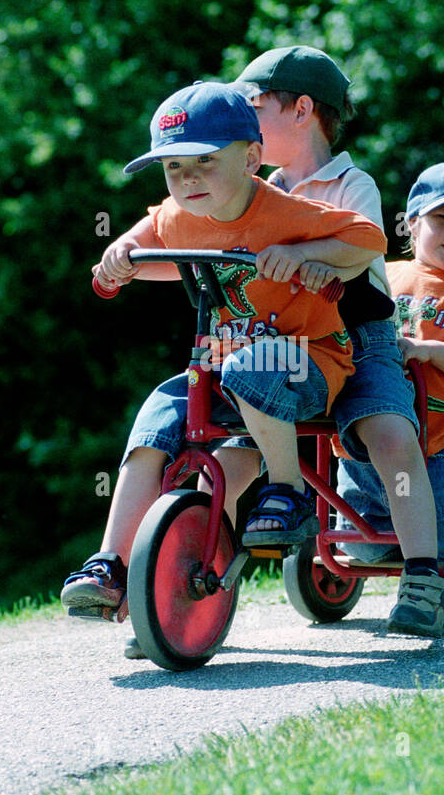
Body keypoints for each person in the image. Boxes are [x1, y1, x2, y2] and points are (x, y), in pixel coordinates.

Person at [60, 80, 386, 623]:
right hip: (223, 365)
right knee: (157, 418)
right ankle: (115, 566)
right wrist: (121, 254)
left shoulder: (287, 212)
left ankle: (288, 492)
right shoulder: (180, 214)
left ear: (252, 159)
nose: (187, 179)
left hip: (308, 360)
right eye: (173, 167)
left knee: (246, 367)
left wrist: (302, 254)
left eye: (205, 161)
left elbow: (370, 240)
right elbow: (147, 236)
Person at [218, 45, 443, 624]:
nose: (242, 121)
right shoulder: (253, 188)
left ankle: (423, 576)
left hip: (359, 339)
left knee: (391, 436)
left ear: (301, 110)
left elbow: (360, 244)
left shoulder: (350, 183)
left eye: (253, 106)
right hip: (285, 341)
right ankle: (189, 579)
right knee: (228, 455)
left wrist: (314, 260)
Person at [335, 158, 444, 637]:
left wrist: (427, 350)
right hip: (366, 434)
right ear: (412, 223)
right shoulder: (380, 275)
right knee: (362, 543)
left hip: (436, 440)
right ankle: (432, 556)